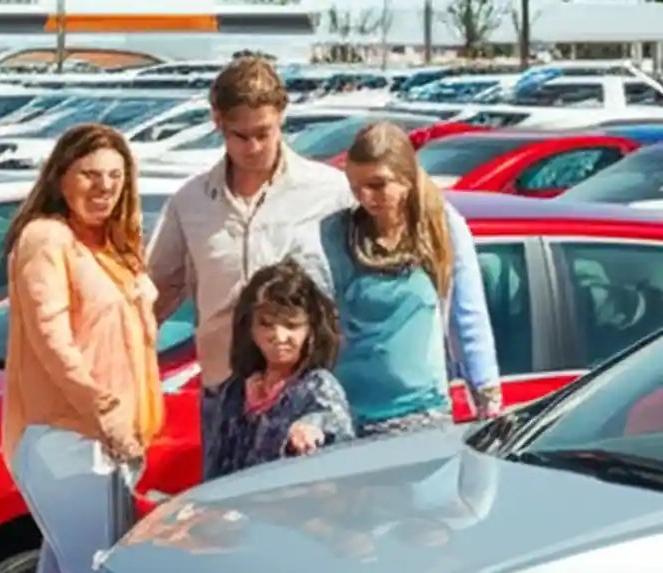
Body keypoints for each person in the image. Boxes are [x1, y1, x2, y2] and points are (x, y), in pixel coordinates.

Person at [0, 123, 164, 573]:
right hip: (69, 439)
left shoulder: (113, 246)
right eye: (91, 175)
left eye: (115, 178)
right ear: (61, 175)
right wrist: (104, 411)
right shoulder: (47, 238)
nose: (104, 188)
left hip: (116, 442)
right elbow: (53, 342)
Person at [147, 56, 355, 478]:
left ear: (282, 116)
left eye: (265, 133)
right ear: (217, 122)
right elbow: (156, 293)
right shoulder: (191, 201)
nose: (254, 147)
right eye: (241, 136)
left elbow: (364, 287)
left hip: (303, 398)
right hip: (225, 391)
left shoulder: (330, 192)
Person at [320, 121, 501, 437]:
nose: (366, 197)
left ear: (406, 179)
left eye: (378, 185)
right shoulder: (337, 232)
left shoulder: (442, 227)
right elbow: (318, 315)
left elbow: (469, 315)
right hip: (349, 412)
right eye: (356, 186)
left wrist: (486, 394)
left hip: (422, 411)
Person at [206, 259, 355, 479]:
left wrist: (311, 427)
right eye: (266, 324)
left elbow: (336, 424)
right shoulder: (234, 392)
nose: (279, 336)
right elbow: (216, 466)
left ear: (311, 329)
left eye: (292, 325)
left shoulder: (317, 387)